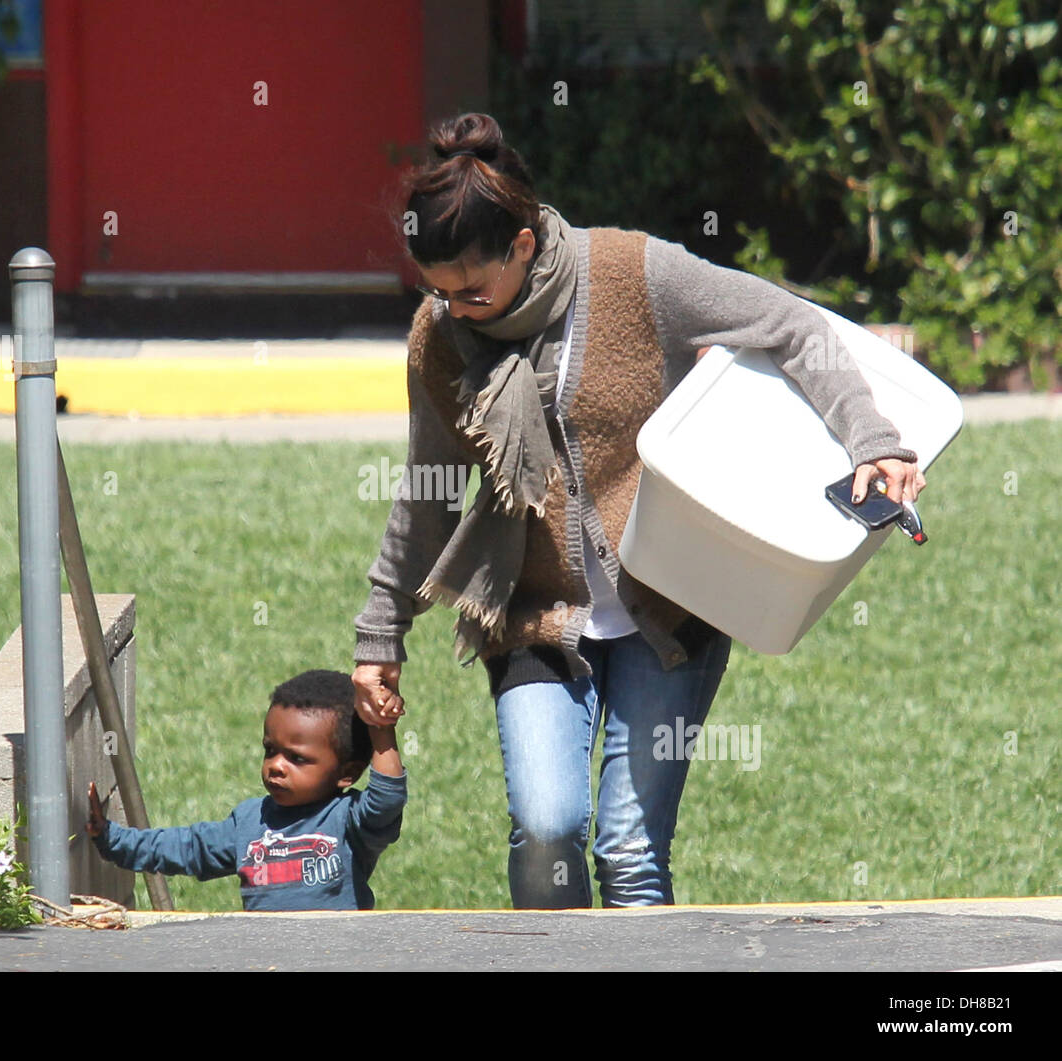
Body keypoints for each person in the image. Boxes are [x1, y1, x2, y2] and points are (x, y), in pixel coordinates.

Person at [350, 112, 926, 910]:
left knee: (630, 847)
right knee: (548, 827)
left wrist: (873, 441)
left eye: (473, 289)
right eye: (440, 292)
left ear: (523, 246)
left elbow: (792, 325)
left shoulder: (630, 272)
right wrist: (380, 635)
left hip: (675, 604)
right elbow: (430, 487)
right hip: (536, 613)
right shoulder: (441, 335)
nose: (459, 309)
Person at [88, 669, 405, 911]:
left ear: (346, 773)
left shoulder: (351, 822)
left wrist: (380, 728)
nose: (277, 765)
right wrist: (111, 838)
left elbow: (387, 798)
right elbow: (185, 848)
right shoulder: (250, 822)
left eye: (297, 758)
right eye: (270, 750)